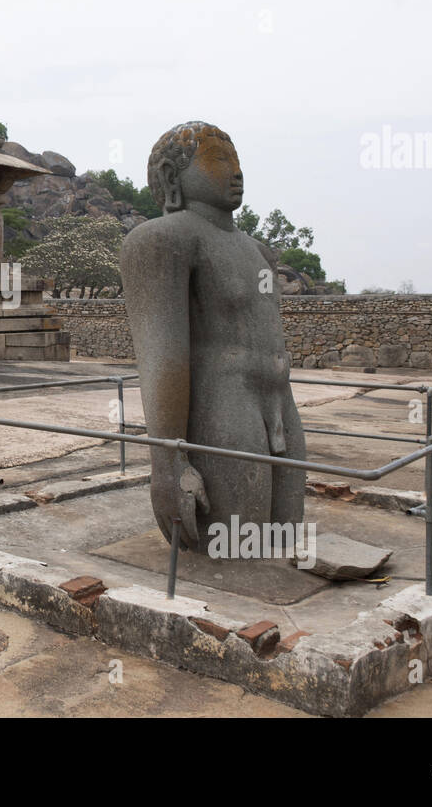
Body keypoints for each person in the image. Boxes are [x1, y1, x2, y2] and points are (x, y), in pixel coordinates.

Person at [121, 122, 305, 552]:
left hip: (280, 401)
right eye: (219, 159)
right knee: (236, 548)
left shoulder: (259, 252)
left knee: (285, 538)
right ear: (172, 177)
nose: (235, 170)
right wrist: (168, 461)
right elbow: (162, 355)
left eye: (236, 158)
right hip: (224, 404)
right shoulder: (163, 240)